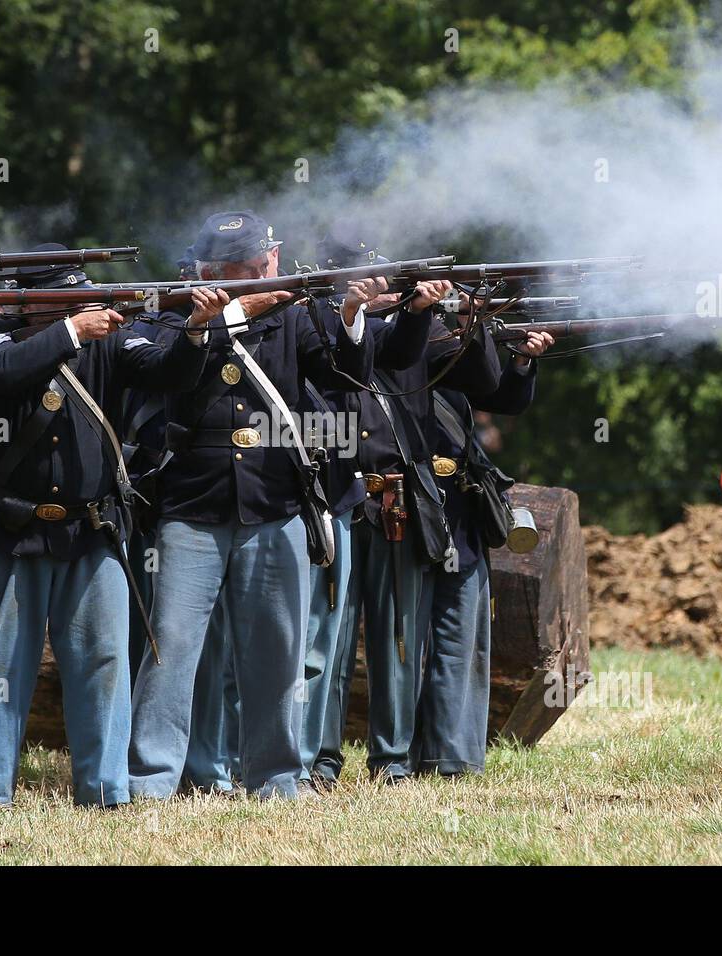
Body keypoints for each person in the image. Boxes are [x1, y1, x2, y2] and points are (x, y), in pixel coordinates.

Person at [128, 209, 388, 801]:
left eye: (266, 258)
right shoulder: (176, 316)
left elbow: (347, 375)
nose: (274, 262)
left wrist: (350, 314)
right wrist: (222, 317)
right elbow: (165, 374)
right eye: (258, 262)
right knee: (171, 646)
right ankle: (151, 778)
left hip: (272, 502)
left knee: (278, 648)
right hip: (193, 506)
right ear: (222, 271)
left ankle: (275, 778)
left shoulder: (294, 316)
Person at [0, 247, 213, 808]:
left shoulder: (113, 340)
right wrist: (73, 330)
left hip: (92, 527)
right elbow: (0, 376)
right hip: (14, 528)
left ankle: (105, 788)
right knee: (1, 665)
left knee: (104, 660)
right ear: (40, 304)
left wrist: (195, 329)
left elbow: (166, 372)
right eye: (73, 298)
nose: (90, 303)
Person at [318, 239, 505, 787]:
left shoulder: (412, 335)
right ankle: (322, 759)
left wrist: (475, 321)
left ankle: (393, 759)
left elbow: (487, 382)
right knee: (328, 641)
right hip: (334, 501)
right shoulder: (319, 334)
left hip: (396, 504)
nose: (381, 291)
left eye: (386, 282)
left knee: (398, 640)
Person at [414, 329, 552, 776]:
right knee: (401, 645)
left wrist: (519, 362)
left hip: (460, 506)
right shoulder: (383, 340)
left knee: (461, 641)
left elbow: (501, 397)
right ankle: (397, 757)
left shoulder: (452, 343)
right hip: (400, 508)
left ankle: (453, 758)